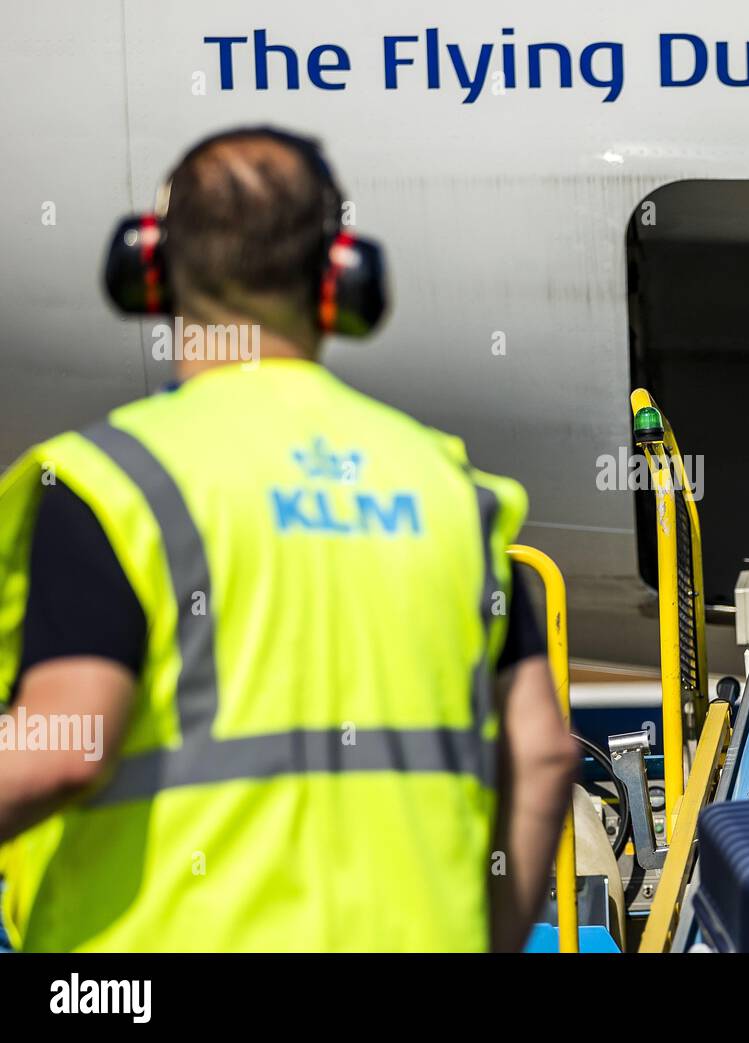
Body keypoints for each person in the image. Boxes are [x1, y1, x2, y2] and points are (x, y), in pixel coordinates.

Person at [0, 127, 577, 952]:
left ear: (148, 269)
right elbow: (545, 753)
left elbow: (65, 746)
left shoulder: (117, 480)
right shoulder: (448, 489)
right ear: (343, 278)